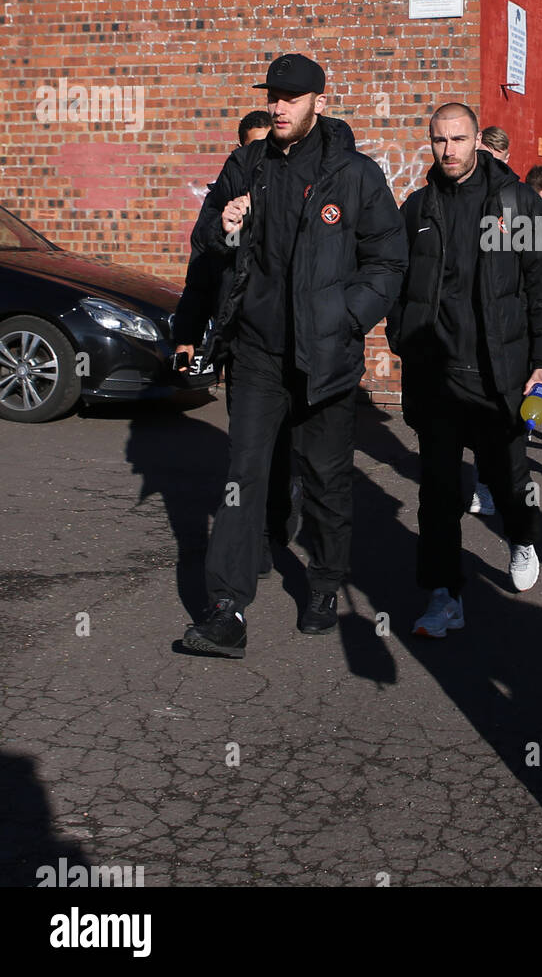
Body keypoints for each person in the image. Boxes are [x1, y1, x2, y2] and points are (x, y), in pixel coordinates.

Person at [181, 53, 408, 657]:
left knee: (326, 478)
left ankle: (325, 584)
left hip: (324, 358)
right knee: (243, 475)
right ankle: (225, 608)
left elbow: (388, 262)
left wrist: (344, 317)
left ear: (319, 102)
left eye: (292, 97)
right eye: (273, 95)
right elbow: (206, 235)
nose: (279, 106)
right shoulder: (247, 163)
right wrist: (224, 225)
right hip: (256, 353)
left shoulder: (355, 175)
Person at [386, 102, 542, 635]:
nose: (450, 150)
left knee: (511, 481)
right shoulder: (418, 208)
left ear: (477, 142)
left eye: (460, 139)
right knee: (438, 495)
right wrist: (402, 335)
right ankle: (444, 596)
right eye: (440, 141)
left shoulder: (515, 202)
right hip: (436, 376)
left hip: (499, 374)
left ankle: (523, 539)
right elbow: (397, 279)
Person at [174, 108, 293, 576]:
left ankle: (277, 515)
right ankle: (254, 540)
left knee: (285, 451)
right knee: (246, 454)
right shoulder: (226, 196)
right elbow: (201, 271)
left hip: (294, 343)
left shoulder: (297, 193)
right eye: (251, 148)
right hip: (243, 346)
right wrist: (187, 336)